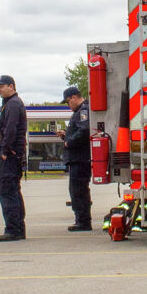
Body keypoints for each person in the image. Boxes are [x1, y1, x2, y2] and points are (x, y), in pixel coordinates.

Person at [0, 74, 27, 241]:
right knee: (13, 190)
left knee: (7, 191)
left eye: (2, 86)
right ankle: (17, 228)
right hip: (14, 155)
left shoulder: (13, 104)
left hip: (10, 156)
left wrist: (5, 150)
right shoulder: (10, 103)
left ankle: (13, 229)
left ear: (11, 86)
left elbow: (11, 129)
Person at [62, 85, 93, 231]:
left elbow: (85, 130)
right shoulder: (79, 111)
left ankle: (83, 221)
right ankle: (81, 219)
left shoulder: (83, 110)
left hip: (80, 158)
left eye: (68, 102)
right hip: (78, 158)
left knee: (78, 190)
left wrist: (70, 141)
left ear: (74, 97)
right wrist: (65, 135)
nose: (68, 105)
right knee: (77, 190)